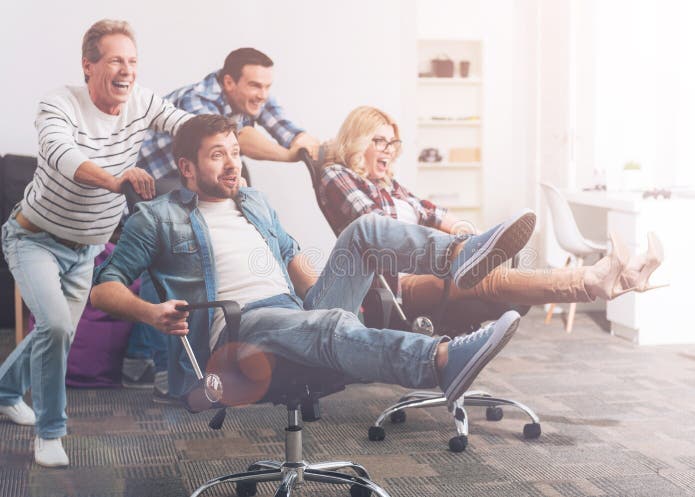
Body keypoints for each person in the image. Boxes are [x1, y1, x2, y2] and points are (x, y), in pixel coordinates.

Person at [91, 114, 537, 411]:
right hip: (236, 326)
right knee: (330, 328)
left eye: (235, 152)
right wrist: (151, 312)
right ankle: (440, 359)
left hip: (291, 308)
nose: (233, 164)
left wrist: (331, 294)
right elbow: (104, 287)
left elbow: (291, 260)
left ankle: (461, 254)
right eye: (217, 155)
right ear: (186, 168)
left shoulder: (255, 201)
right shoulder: (157, 217)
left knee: (364, 232)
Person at [0, 19, 191, 467]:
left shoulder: (140, 102)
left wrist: (220, 141)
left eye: (132, 61)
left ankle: (6, 391)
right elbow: (64, 156)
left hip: (86, 250)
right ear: (88, 66)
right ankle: (50, 433)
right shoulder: (59, 104)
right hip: (35, 239)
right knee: (57, 327)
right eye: (114, 61)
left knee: (54, 331)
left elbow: (184, 124)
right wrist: (115, 179)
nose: (126, 71)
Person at [318, 106, 664, 319]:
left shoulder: (392, 186)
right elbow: (379, 229)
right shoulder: (338, 175)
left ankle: (619, 279)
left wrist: (468, 237)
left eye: (393, 144)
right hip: (398, 284)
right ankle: (595, 279)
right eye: (380, 142)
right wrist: (455, 249)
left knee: (493, 275)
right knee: (492, 279)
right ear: (359, 140)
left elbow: (437, 213)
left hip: (435, 268)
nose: (390, 152)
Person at [123, 47, 320, 394]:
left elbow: (283, 126)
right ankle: (150, 361)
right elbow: (236, 140)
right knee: (171, 255)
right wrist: (289, 155)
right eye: (255, 86)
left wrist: (303, 141)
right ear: (229, 81)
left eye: (267, 86)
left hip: (202, 182)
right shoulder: (198, 98)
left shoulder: (254, 93)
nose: (262, 94)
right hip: (161, 180)